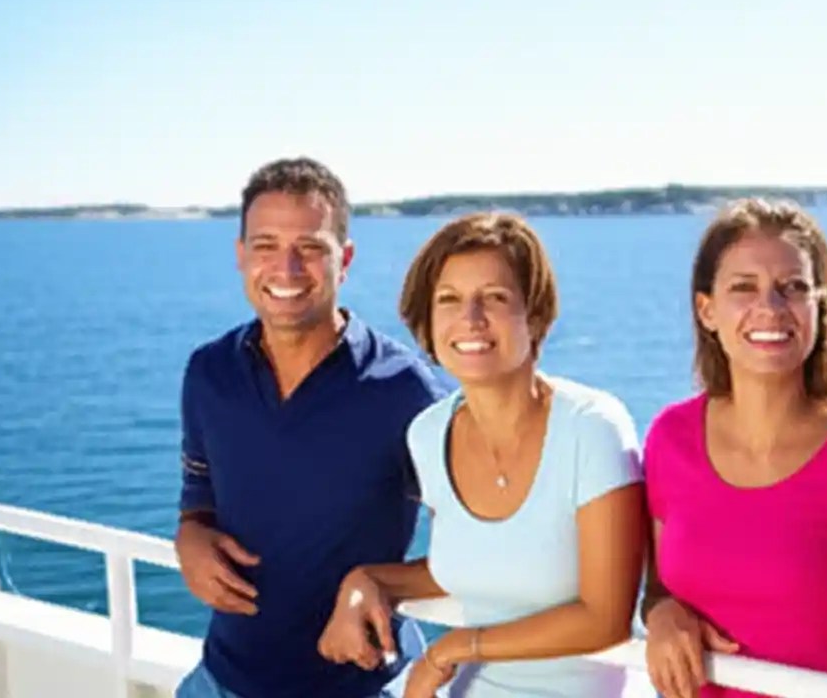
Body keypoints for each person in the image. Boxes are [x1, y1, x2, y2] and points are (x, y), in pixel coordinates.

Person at [315, 211, 646, 697]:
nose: (470, 319)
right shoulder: (428, 435)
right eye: (448, 300)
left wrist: (453, 649)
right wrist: (365, 580)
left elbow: (605, 618)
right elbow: (479, 561)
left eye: (494, 298)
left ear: (534, 316)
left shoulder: (591, 426)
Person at [174, 157, 448, 698]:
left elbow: (482, 543)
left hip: (364, 687)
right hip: (221, 682)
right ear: (240, 255)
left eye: (310, 248)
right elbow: (199, 490)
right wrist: (190, 534)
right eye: (266, 246)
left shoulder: (405, 390)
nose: (287, 269)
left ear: (344, 260)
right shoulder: (209, 372)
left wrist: (373, 583)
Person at [640, 198, 827, 698]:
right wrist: (660, 613)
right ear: (707, 310)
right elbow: (659, 584)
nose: (771, 308)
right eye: (744, 288)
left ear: (819, 307)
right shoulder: (670, 437)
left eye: (793, 288)